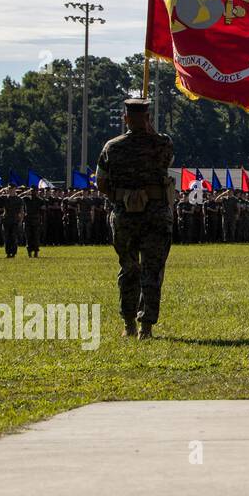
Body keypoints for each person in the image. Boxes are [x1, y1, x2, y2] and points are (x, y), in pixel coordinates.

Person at [94, 98, 175, 339]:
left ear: (125, 118)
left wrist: (123, 197)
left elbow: (101, 182)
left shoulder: (112, 147)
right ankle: (145, 327)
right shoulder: (162, 144)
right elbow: (168, 158)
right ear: (148, 118)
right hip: (156, 215)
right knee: (152, 270)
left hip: (125, 214)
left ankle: (128, 323)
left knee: (129, 268)